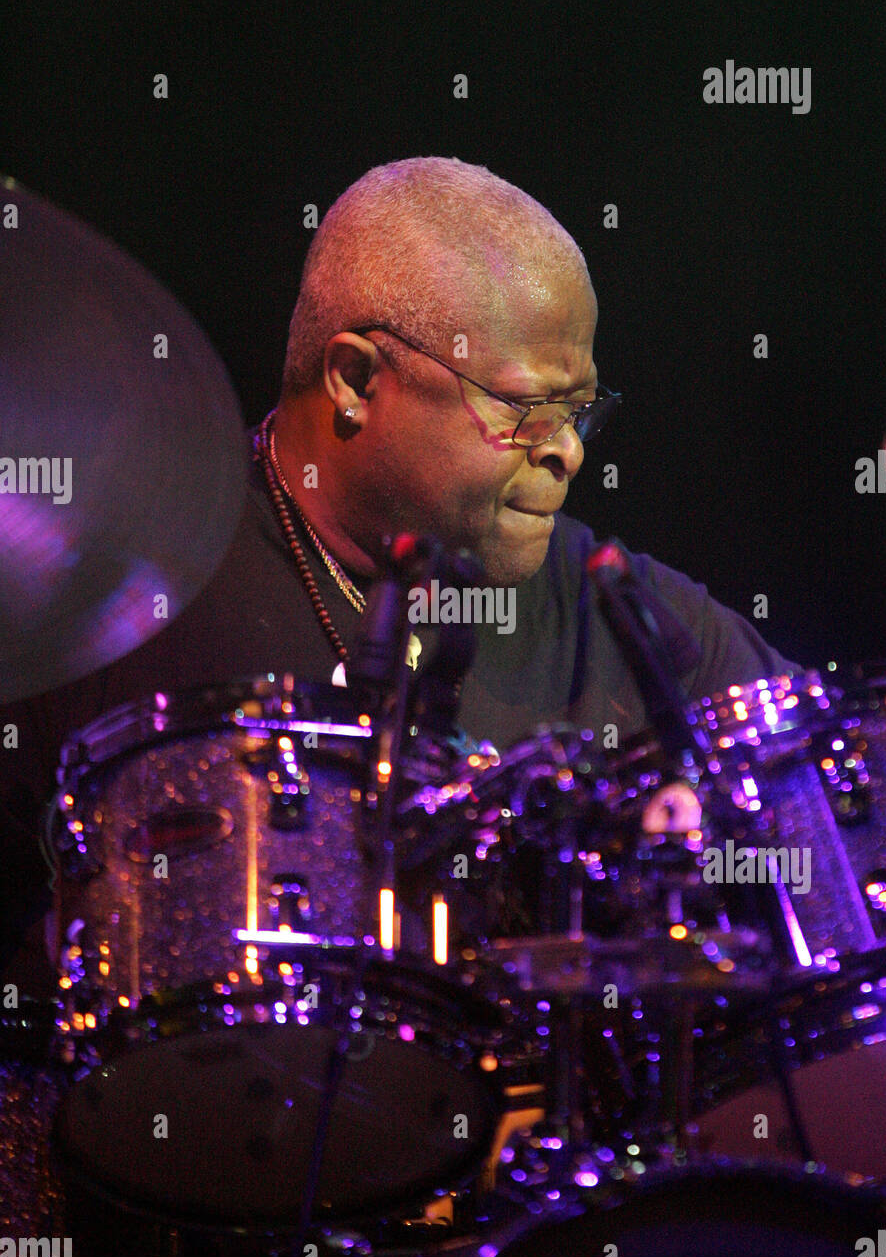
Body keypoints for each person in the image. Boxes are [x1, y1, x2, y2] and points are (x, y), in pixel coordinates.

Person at [0, 155, 798, 974]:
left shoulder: (618, 611)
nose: (566, 452)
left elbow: (849, 793)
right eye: (527, 410)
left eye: (580, 411)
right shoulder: (119, 585)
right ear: (354, 379)